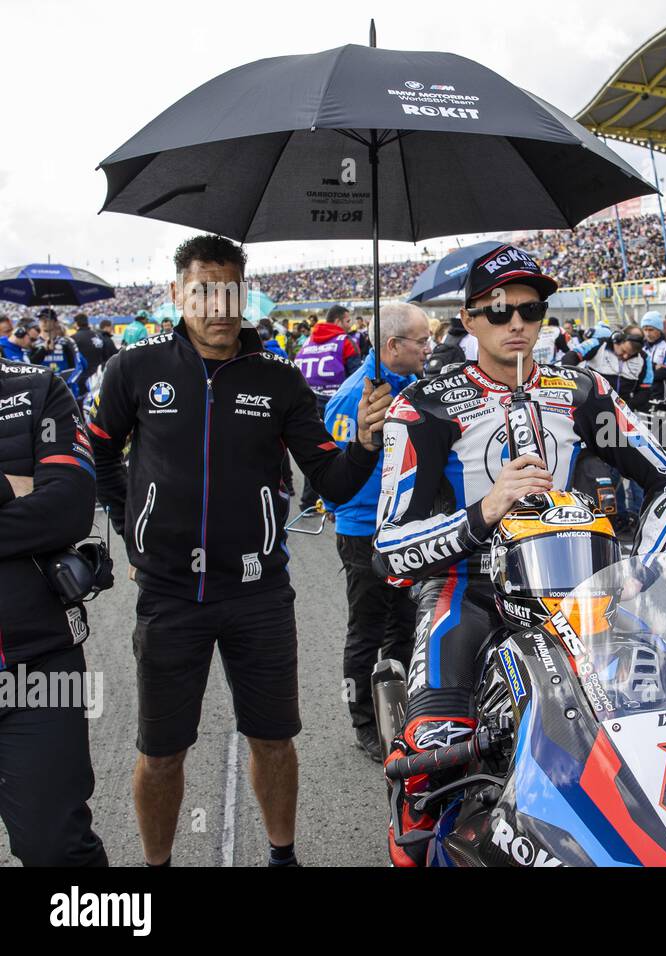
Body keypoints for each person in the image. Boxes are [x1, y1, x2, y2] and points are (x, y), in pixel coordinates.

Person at [372, 243, 666, 866]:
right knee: (431, 755)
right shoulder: (422, 405)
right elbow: (388, 549)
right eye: (497, 309)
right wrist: (485, 510)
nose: (516, 321)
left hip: (581, 586)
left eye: (530, 308)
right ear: (468, 319)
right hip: (470, 587)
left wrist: (639, 570)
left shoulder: (585, 388)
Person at [88, 234, 393, 867]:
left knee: (275, 740)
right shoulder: (133, 368)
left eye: (230, 289)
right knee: (160, 751)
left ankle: (283, 858)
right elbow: (99, 454)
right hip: (169, 594)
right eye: (203, 289)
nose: (218, 304)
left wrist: (365, 442)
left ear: (244, 295)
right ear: (178, 293)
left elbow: (330, 483)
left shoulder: (278, 378)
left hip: (258, 592)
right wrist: (130, 528)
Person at [0, 354, 107, 866]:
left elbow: (66, 508)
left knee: (56, 848)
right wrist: (10, 487)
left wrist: (37, 497)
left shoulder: (39, 388)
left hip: (34, 668)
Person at [322, 304, 427, 762]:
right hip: (364, 530)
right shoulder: (352, 398)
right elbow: (337, 478)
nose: (428, 347)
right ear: (392, 346)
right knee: (365, 632)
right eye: (421, 341)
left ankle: (400, 712)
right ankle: (364, 722)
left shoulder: (407, 386)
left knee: (404, 626)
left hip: (404, 529)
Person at [293, 310, 364, 511]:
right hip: (337, 404)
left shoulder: (307, 341)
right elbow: (357, 377)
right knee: (342, 452)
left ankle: (308, 501)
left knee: (314, 454)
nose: (350, 325)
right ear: (338, 321)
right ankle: (337, 502)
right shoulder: (345, 341)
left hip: (308, 403)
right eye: (348, 320)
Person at [30, 309, 87, 399]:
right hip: (42, 390)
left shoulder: (67, 342)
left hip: (65, 389)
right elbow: (28, 365)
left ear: (55, 322)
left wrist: (66, 382)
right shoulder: (32, 343)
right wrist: (43, 350)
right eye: (41, 319)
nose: (43, 322)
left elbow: (78, 365)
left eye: (47, 318)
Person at [641, 312, 666, 402]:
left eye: (651, 330)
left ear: (659, 330)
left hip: (662, 396)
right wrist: (654, 366)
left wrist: (644, 370)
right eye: (645, 330)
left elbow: (665, 373)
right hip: (643, 395)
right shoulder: (640, 346)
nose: (647, 333)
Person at [70, 313, 115, 384]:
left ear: (76, 323)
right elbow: (108, 356)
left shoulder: (73, 338)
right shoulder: (99, 336)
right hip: (99, 376)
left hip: (83, 378)